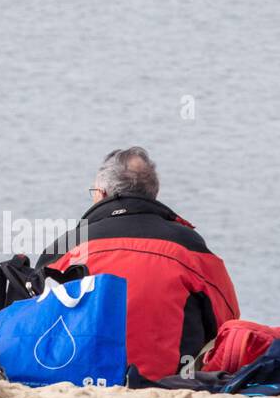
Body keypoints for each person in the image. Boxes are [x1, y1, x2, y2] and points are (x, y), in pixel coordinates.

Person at [35, 146, 240, 380]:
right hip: (170, 382)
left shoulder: (66, 246)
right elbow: (229, 321)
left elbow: (33, 319)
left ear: (101, 194)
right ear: (154, 193)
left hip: (78, 378)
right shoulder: (189, 245)